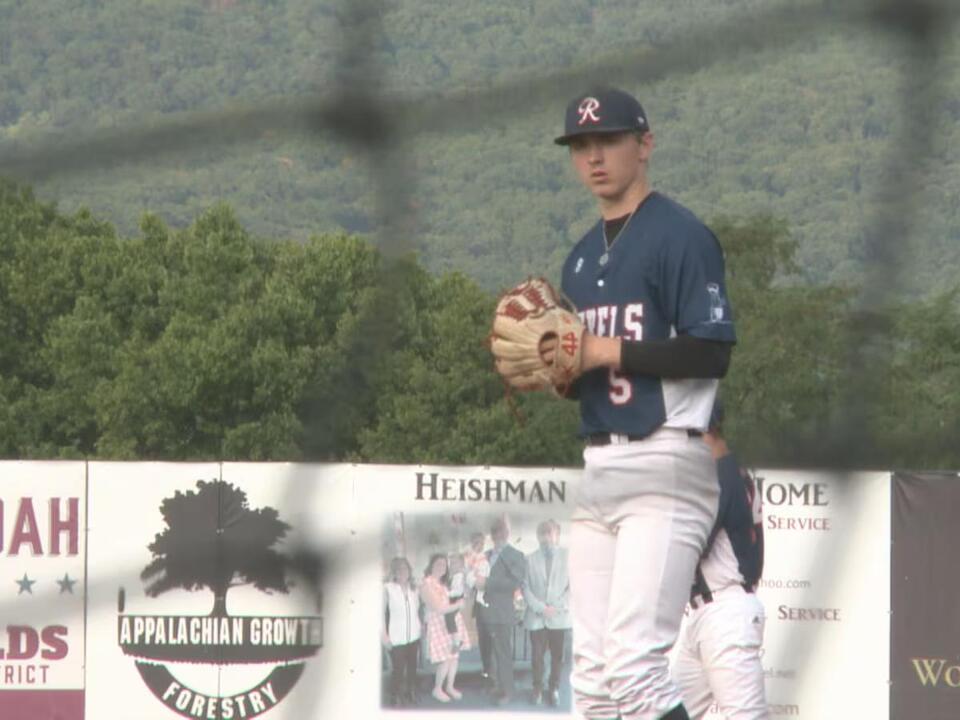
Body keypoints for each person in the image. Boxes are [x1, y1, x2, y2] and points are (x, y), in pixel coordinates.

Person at [553, 87, 737, 720]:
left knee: (635, 669)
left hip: (667, 463)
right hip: (599, 466)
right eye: (581, 146)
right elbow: (592, 370)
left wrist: (607, 352)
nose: (594, 156)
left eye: (608, 140)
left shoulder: (679, 235)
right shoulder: (578, 260)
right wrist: (558, 373)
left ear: (645, 144)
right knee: (595, 686)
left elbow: (711, 352)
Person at [671, 402, 768, 719]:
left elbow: (692, 544)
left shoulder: (717, 473)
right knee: (665, 708)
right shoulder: (727, 469)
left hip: (726, 612)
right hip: (707, 614)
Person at [477, 516, 527, 706]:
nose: (498, 535)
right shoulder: (486, 554)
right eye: (495, 531)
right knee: (490, 653)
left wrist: (487, 583)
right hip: (484, 612)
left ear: (507, 533)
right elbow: (478, 576)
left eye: (501, 531)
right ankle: (498, 684)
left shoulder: (516, 555)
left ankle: (508, 691)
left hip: (502, 613)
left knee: (503, 653)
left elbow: (515, 582)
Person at [522, 519, 571, 707]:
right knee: (537, 657)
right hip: (536, 617)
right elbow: (525, 588)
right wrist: (542, 608)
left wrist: (555, 608)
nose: (545, 537)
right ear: (537, 536)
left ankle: (554, 688)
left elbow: (572, 588)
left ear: (557, 535)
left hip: (559, 618)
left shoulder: (569, 556)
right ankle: (537, 688)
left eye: (549, 533)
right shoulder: (529, 559)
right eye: (542, 533)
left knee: (557, 657)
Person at [421, 553, 470, 703]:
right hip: (438, 624)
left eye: (444, 564)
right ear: (431, 565)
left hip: (450, 623)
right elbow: (438, 608)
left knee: (454, 657)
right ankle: (437, 688)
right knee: (445, 659)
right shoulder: (426, 583)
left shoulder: (443, 584)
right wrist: (458, 604)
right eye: (438, 564)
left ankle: (449, 686)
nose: (442, 566)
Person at [382, 557, 423, 707]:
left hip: (414, 635)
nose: (402, 572)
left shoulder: (414, 589)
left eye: (405, 569)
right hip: (396, 636)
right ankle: (394, 694)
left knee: (413, 667)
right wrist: (384, 636)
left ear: (409, 571)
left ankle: (410, 691)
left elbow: (417, 610)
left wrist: (420, 625)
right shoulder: (387, 588)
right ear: (394, 572)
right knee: (398, 669)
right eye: (399, 569)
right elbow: (380, 614)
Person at [466, 532, 494, 680]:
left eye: (481, 542)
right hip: (479, 602)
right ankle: (486, 668)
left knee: (492, 638)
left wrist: (481, 581)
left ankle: (493, 669)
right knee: (483, 637)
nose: (479, 545)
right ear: (471, 543)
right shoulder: (469, 560)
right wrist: (477, 581)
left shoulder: (488, 557)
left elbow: (490, 579)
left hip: (492, 601)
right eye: (476, 542)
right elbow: (469, 581)